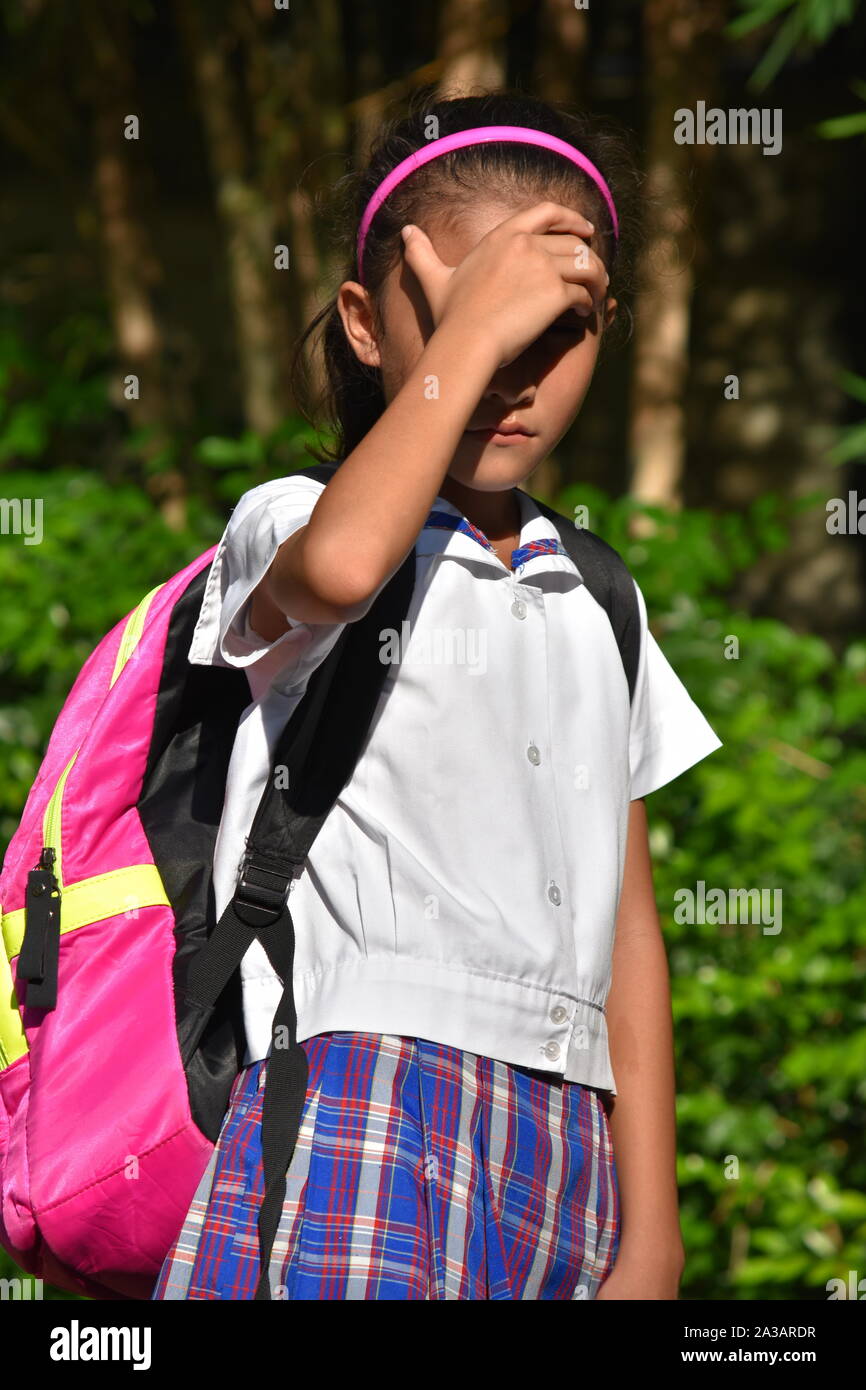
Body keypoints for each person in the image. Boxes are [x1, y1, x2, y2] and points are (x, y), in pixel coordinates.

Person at [152, 88, 722, 1302]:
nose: (506, 376)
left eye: (550, 335)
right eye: (469, 322)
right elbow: (347, 568)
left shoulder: (597, 598)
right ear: (365, 325)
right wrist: (468, 344)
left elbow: (626, 930)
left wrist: (653, 1236)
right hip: (368, 1089)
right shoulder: (289, 520)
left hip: (571, 1149)